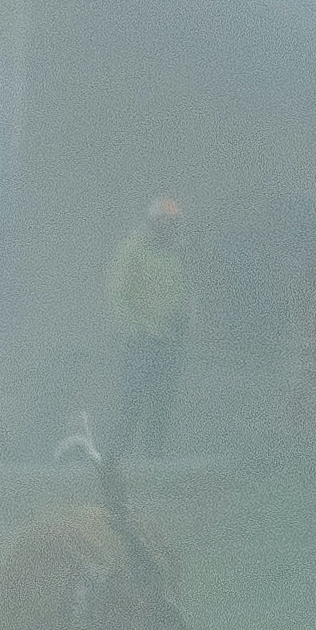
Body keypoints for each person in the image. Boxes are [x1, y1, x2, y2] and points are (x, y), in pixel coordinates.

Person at [107, 193, 194, 456]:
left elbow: (177, 295)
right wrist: (135, 329)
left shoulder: (172, 256)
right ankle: (116, 460)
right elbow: (118, 292)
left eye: (176, 224)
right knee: (131, 401)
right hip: (139, 341)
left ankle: (154, 459)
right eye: (168, 224)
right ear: (154, 223)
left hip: (166, 340)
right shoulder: (132, 249)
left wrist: (181, 321)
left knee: (162, 402)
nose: (173, 229)